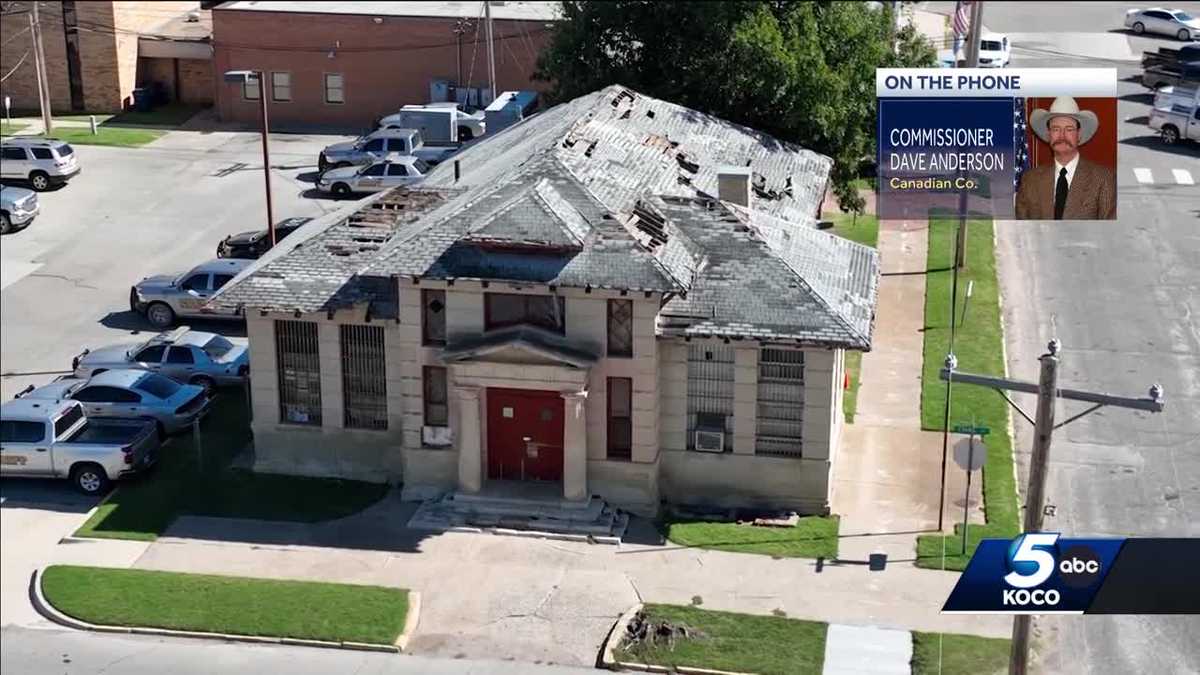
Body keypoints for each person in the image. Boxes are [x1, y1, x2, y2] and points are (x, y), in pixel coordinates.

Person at [1015, 96, 1117, 220]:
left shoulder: (1103, 180)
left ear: (1079, 135)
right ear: (1048, 135)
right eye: (1056, 129)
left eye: (1069, 129)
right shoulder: (1030, 180)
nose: (1062, 136)